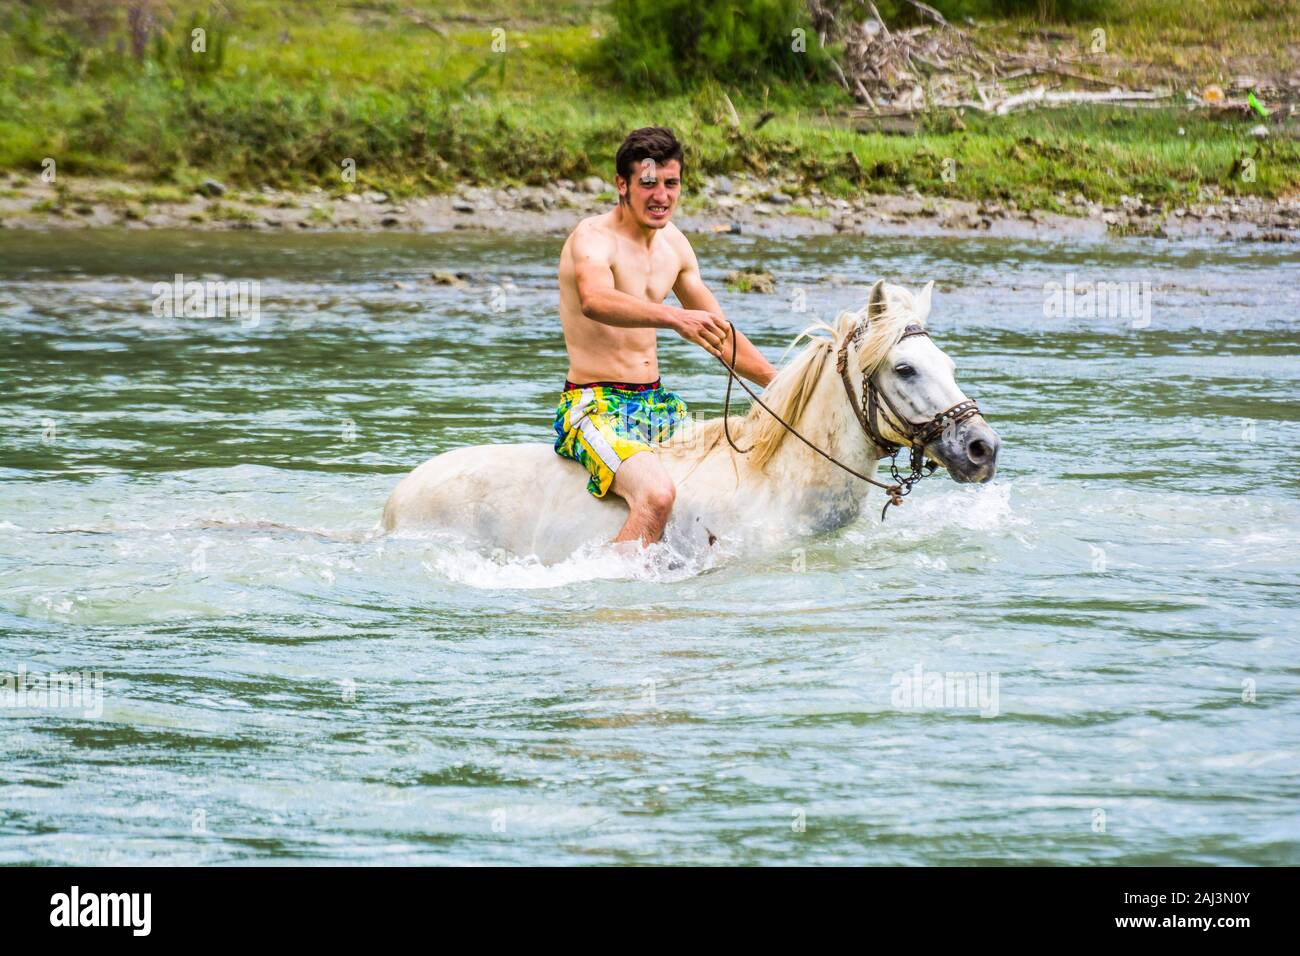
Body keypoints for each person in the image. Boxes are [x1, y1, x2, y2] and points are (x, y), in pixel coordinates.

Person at [554, 126, 776, 547]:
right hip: (594, 407)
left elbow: (719, 334)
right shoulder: (592, 238)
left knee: (727, 488)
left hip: (659, 405)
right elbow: (595, 300)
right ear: (623, 184)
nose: (661, 196)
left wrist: (781, 387)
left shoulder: (675, 244)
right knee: (657, 496)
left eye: (671, 184)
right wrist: (674, 318)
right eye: (649, 184)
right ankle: (618, 599)